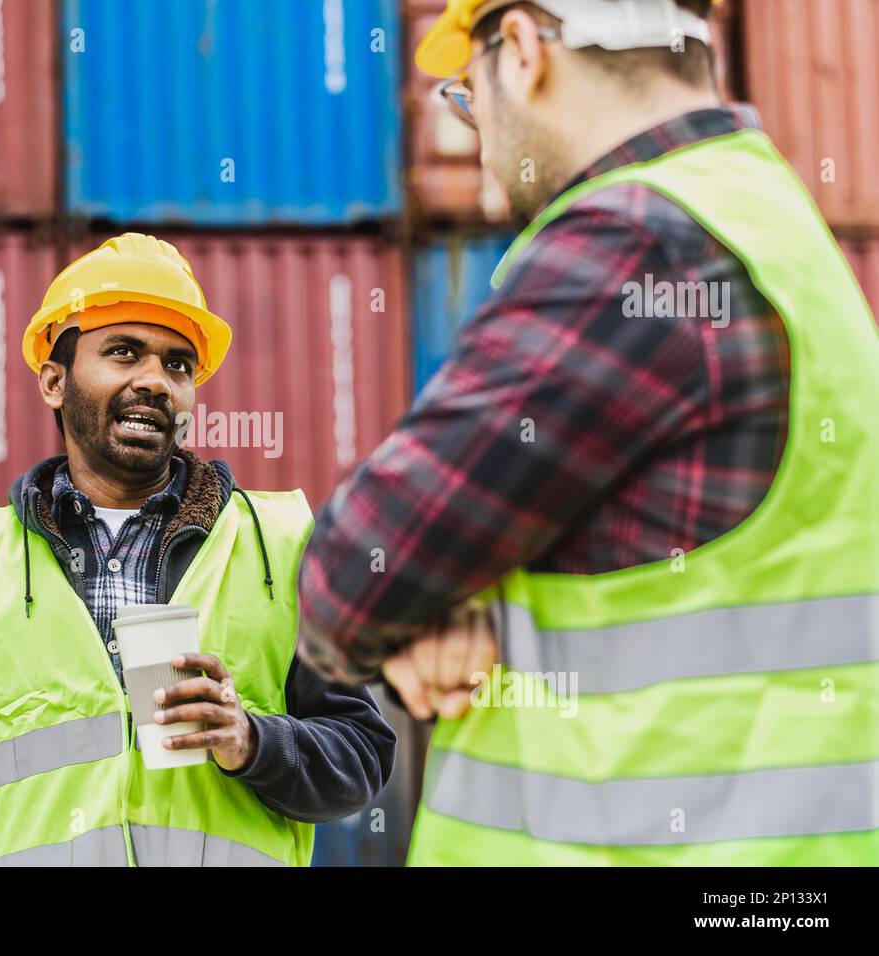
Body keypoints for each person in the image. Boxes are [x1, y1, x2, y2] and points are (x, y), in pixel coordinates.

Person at [297, 0, 879, 865]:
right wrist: (459, 595)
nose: (485, 147)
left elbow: (351, 581)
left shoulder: (635, 240)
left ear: (524, 50)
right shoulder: (767, 214)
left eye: (468, 98)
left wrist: (424, 601)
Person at [0, 233, 395, 867]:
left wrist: (253, 740)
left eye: (177, 364)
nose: (155, 381)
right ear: (54, 381)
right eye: (124, 353)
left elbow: (362, 754)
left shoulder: (280, 545)